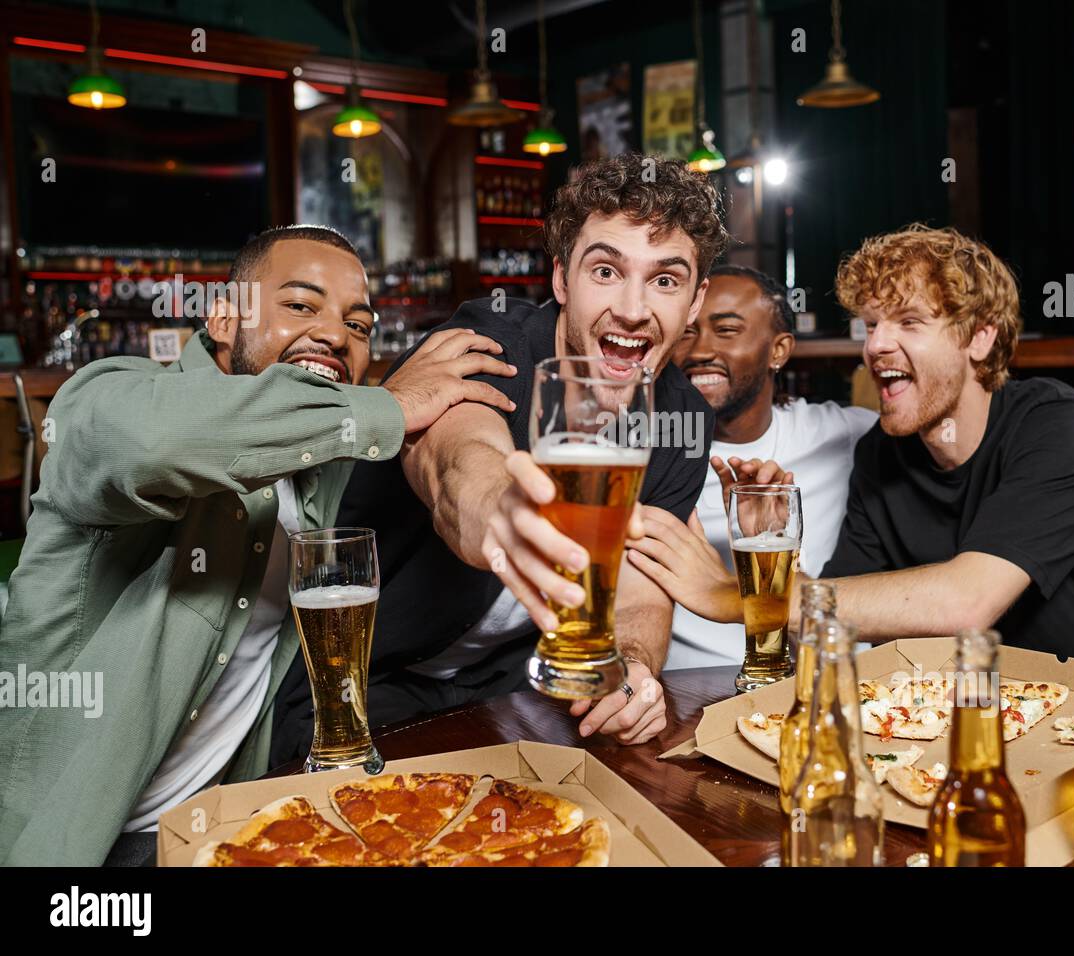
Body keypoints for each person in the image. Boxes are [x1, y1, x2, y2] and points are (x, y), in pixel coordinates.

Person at [0, 225, 512, 867]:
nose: (334, 334)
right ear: (221, 316)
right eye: (300, 305)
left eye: (359, 325)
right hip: (76, 845)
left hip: (228, 827)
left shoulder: (321, 466)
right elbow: (158, 443)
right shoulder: (111, 397)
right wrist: (383, 405)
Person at [272, 153, 726, 762]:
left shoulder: (684, 417)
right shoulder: (490, 339)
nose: (634, 308)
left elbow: (642, 588)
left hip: (510, 690)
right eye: (606, 271)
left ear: (695, 302)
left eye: (665, 281)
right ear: (562, 279)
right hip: (361, 685)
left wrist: (634, 667)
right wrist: (504, 508)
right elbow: (456, 462)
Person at [656, 262, 1074, 670]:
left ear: (980, 338)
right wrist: (773, 554)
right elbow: (833, 614)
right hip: (937, 722)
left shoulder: (1056, 425)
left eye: (908, 322)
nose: (877, 346)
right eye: (871, 325)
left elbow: (965, 604)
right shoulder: (880, 452)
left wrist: (739, 597)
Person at [665, 264, 877, 669]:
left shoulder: (844, 436)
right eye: (688, 332)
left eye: (727, 330)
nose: (699, 351)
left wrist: (771, 544)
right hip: (683, 696)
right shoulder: (645, 450)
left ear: (779, 350)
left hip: (808, 682)